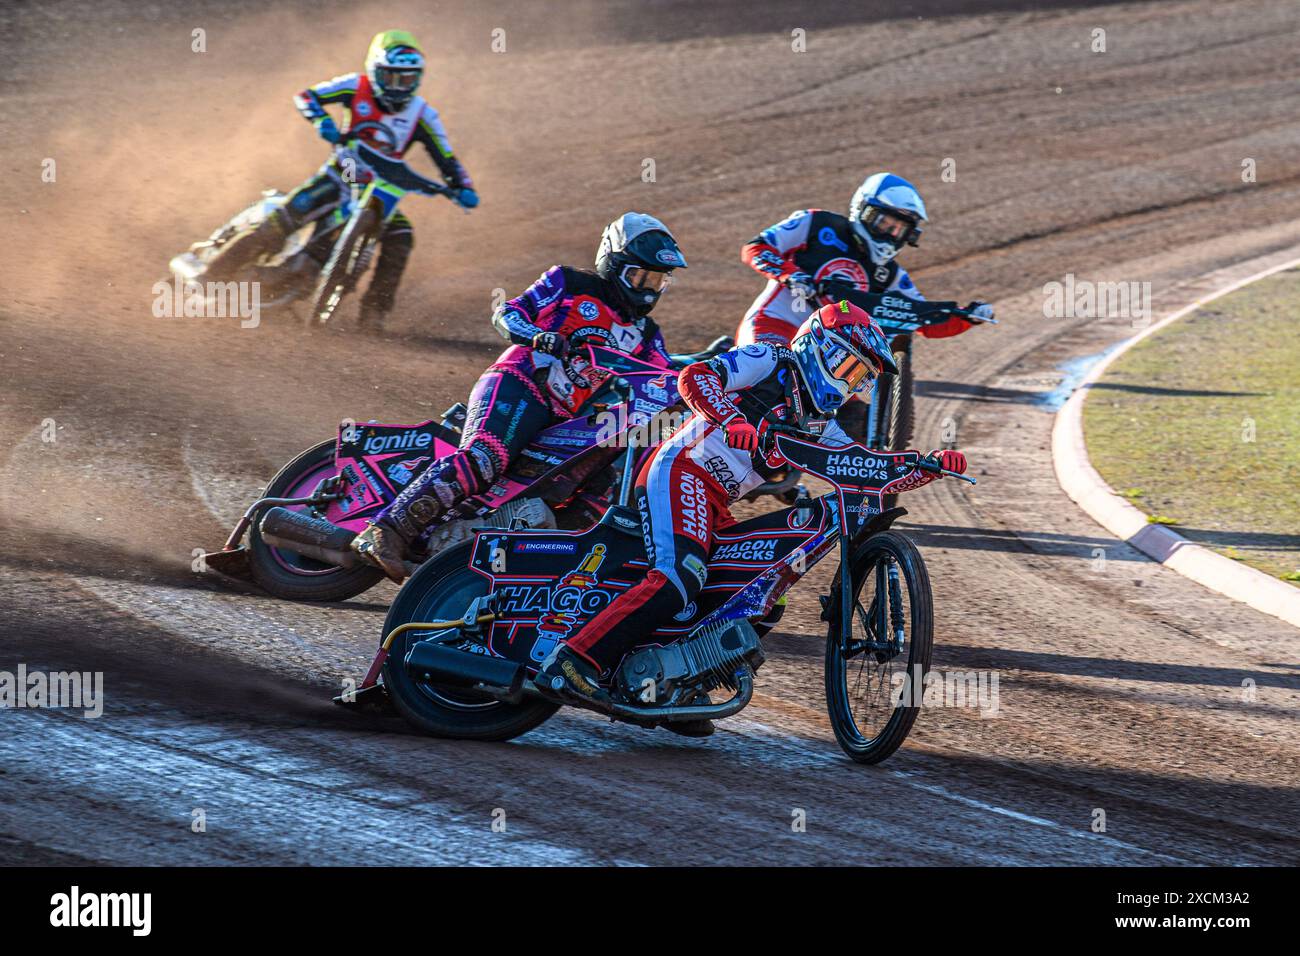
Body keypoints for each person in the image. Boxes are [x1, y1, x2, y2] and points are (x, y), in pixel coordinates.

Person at [534, 300, 966, 731]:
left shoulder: (821, 422)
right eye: (848, 367)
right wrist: (730, 416)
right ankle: (572, 661)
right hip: (680, 470)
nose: (849, 383)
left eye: (860, 377)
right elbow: (696, 377)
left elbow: (865, 467)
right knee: (677, 576)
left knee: (762, 593)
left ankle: (677, 681)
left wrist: (924, 467)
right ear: (820, 346)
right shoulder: (771, 358)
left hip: (716, 500)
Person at [350, 212, 688, 581]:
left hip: (564, 417)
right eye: (639, 276)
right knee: (486, 457)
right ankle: (385, 530)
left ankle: (515, 565)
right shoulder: (569, 282)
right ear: (613, 262)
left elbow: (665, 375)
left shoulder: (647, 333)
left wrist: (706, 381)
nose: (647, 288)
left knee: (593, 487)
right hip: (520, 383)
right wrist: (535, 335)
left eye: (657, 280)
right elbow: (508, 312)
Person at [204, 30, 478, 330]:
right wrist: (321, 119)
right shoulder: (355, 86)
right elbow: (306, 96)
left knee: (402, 235)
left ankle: (374, 313)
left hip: (380, 191)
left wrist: (461, 186)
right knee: (284, 219)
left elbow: (446, 158)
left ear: (419, 78)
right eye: (391, 77)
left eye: (408, 79)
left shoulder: (423, 115)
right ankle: (211, 276)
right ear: (375, 70)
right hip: (339, 175)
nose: (399, 87)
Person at [736, 172, 994, 347]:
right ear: (862, 210)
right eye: (884, 223)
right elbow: (757, 247)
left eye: (898, 230)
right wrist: (791, 275)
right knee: (768, 373)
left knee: (854, 419)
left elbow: (923, 320)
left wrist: (968, 318)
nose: (890, 234)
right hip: (776, 324)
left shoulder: (890, 275)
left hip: (827, 351)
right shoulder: (816, 223)